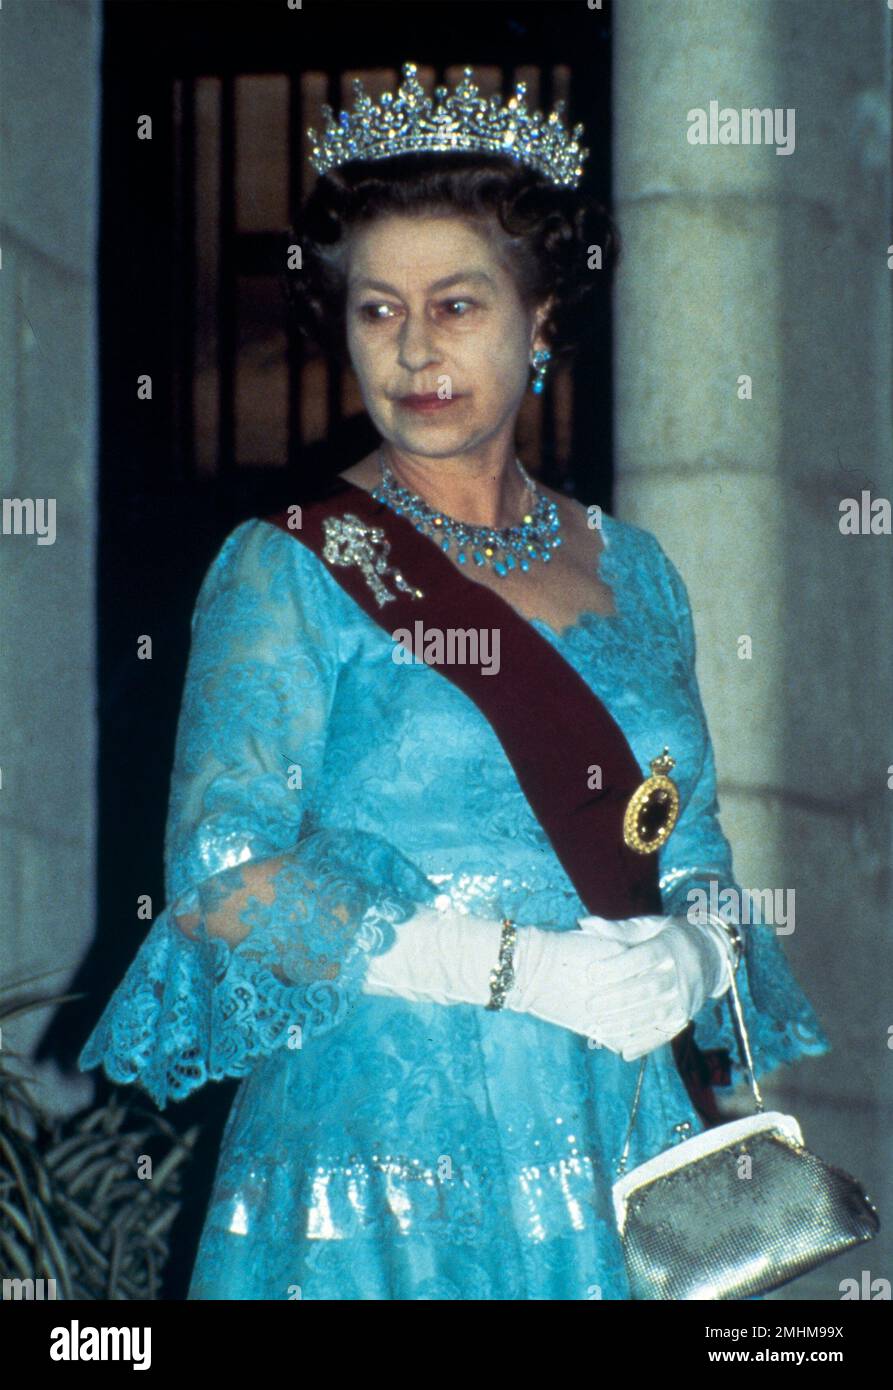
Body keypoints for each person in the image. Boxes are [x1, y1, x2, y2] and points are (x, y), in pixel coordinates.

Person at [79, 63, 830, 1301]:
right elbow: (220, 874)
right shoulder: (288, 566)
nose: (415, 349)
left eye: (456, 304)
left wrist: (694, 952)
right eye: (377, 311)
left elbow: (688, 842)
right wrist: (514, 967)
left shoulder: (635, 571)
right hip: (374, 1145)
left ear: (540, 323)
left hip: (610, 1135)